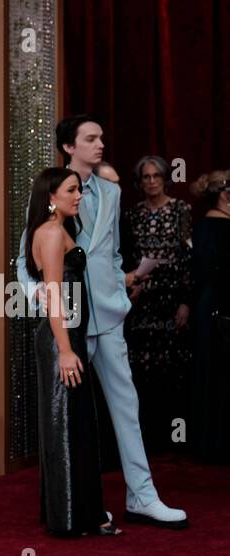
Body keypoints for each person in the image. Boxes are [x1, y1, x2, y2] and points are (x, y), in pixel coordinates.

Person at [16, 115, 188, 529]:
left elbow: (109, 252)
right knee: (72, 416)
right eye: (90, 139)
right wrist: (36, 294)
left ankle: (143, 496)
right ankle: (79, 506)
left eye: (101, 138)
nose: (100, 145)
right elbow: (24, 258)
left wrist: (118, 290)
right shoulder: (50, 191)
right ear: (69, 147)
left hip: (108, 316)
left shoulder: (111, 192)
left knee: (126, 408)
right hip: (70, 320)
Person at [26, 168, 119, 536]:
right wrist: (65, 350)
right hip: (60, 339)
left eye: (79, 189)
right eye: (72, 190)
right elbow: (52, 295)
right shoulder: (50, 234)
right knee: (65, 425)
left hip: (70, 336)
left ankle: (83, 512)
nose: (79, 196)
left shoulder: (61, 230)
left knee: (77, 423)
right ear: (51, 196)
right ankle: (69, 518)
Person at [121, 156, 194, 455]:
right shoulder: (132, 214)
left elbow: (189, 259)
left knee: (172, 373)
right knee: (140, 374)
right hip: (141, 302)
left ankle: (175, 443)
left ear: (166, 179)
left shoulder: (181, 210)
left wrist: (185, 302)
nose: (151, 181)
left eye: (156, 176)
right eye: (146, 177)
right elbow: (125, 256)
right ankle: (144, 442)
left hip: (171, 299)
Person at [183, 169, 230, 463]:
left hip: (205, 307)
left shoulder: (200, 229)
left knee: (209, 373)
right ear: (225, 195)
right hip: (222, 306)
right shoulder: (222, 231)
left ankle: (208, 443)